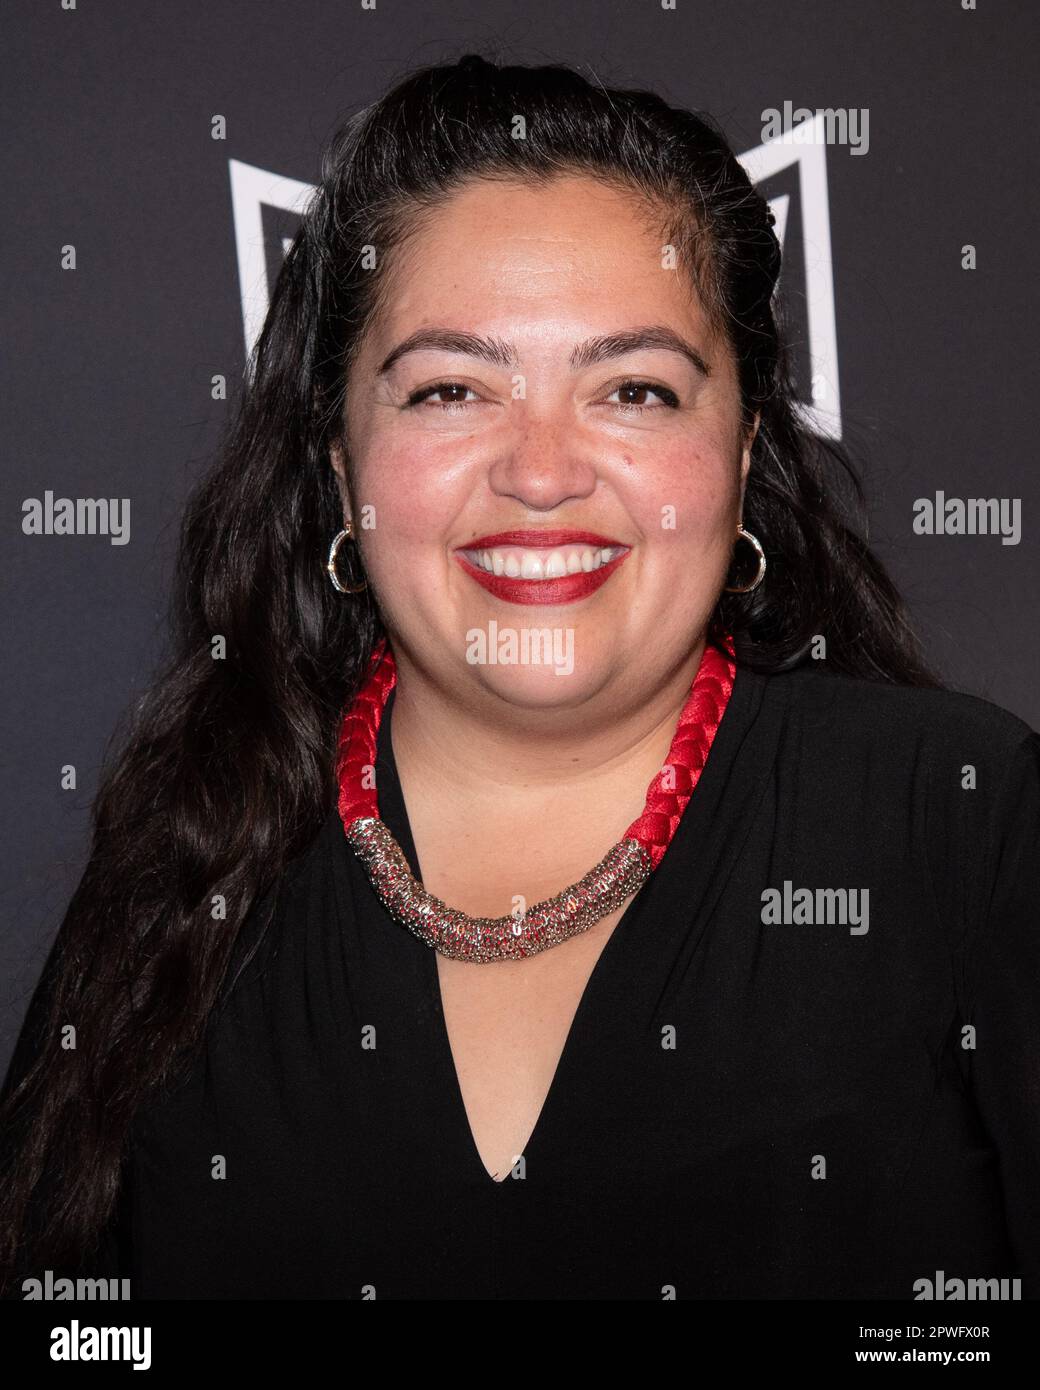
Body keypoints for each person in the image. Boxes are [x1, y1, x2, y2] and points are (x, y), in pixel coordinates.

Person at [2, 52, 1037, 1301]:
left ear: (742, 449)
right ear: (339, 465)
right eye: (450, 389)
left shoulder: (969, 825)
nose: (539, 471)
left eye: (633, 390)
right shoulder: (185, 870)